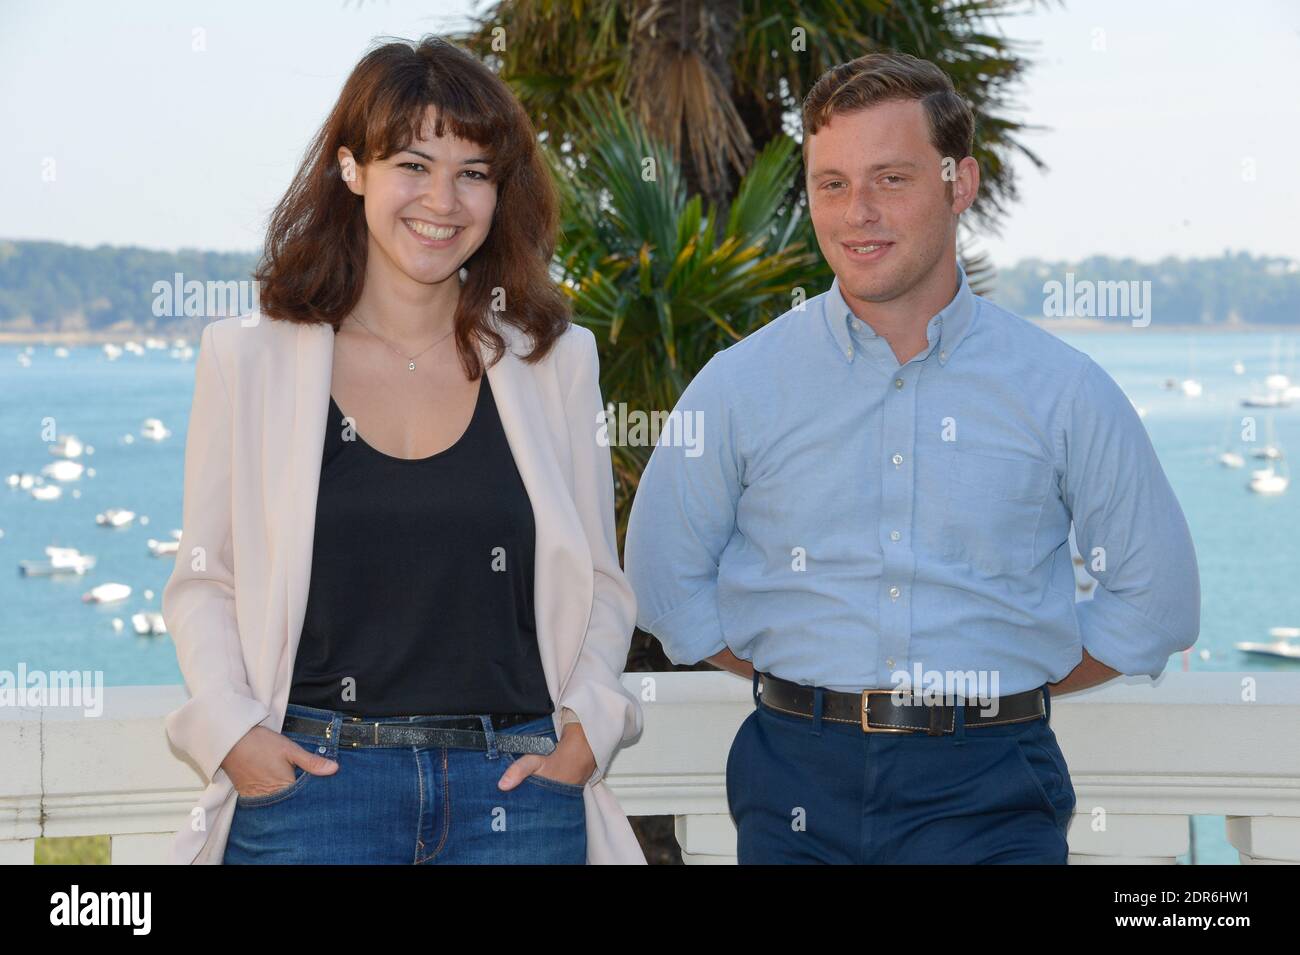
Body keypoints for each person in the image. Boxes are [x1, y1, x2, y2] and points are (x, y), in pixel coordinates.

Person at [623, 51, 1200, 864]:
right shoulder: (739, 386)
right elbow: (662, 581)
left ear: (958, 183)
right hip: (794, 780)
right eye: (832, 184)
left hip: (994, 789)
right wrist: (812, 680)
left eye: (891, 178)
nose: (858, 211)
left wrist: (1002, 681)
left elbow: (1158, 601)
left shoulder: (1063, 389)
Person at [162, 35, 645, 864]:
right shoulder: (249, 357)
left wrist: (584, 736)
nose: (444, 200)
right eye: (414, 165)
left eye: (474, 172)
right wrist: (237, 734)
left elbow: (600, 579)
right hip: (313, 793)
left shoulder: (555, 361)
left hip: (518, 797)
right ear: (352, 169)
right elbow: (207, 577)